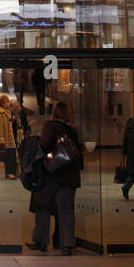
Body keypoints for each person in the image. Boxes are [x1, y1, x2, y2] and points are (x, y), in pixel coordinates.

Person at [30, 100, 83, 255]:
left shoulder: (50, 126)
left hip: (52, 174)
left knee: (43, 207)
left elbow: (44, 146)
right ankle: (67, 244)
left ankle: (41, 241)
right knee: (66, 211)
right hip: (70, 176)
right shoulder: (73, 130)